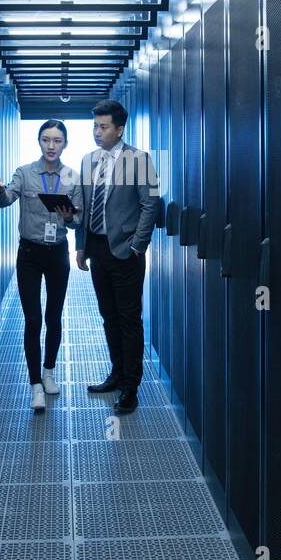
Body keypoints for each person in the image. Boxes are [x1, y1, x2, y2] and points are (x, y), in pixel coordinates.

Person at [0, 120, 83, 412]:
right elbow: (6, 200)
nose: (51, 146)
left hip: (57, 254)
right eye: (46, 140)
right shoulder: (25, 173)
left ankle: (49, 372)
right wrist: (0, 189)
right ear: (39, 142)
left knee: (54, 316)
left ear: (65, 144)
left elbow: (78, 221)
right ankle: (35, 386)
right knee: (33, 320)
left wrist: (69, 216)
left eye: (57, 141)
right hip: (29, 254)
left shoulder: (72, 178)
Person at [75, 99, 159, 413]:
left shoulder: (139, 159)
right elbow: (84, 207)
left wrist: (138, 246)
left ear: (119, 129)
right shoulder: (88, 160)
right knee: (109, 316)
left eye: (103, 126)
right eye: (95, 126)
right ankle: (116, 373)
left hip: (126, 252)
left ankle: (131, 386)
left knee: (128, 319)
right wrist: (80, 246)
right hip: (97, 248)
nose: (97, 132)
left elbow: (151, 205)